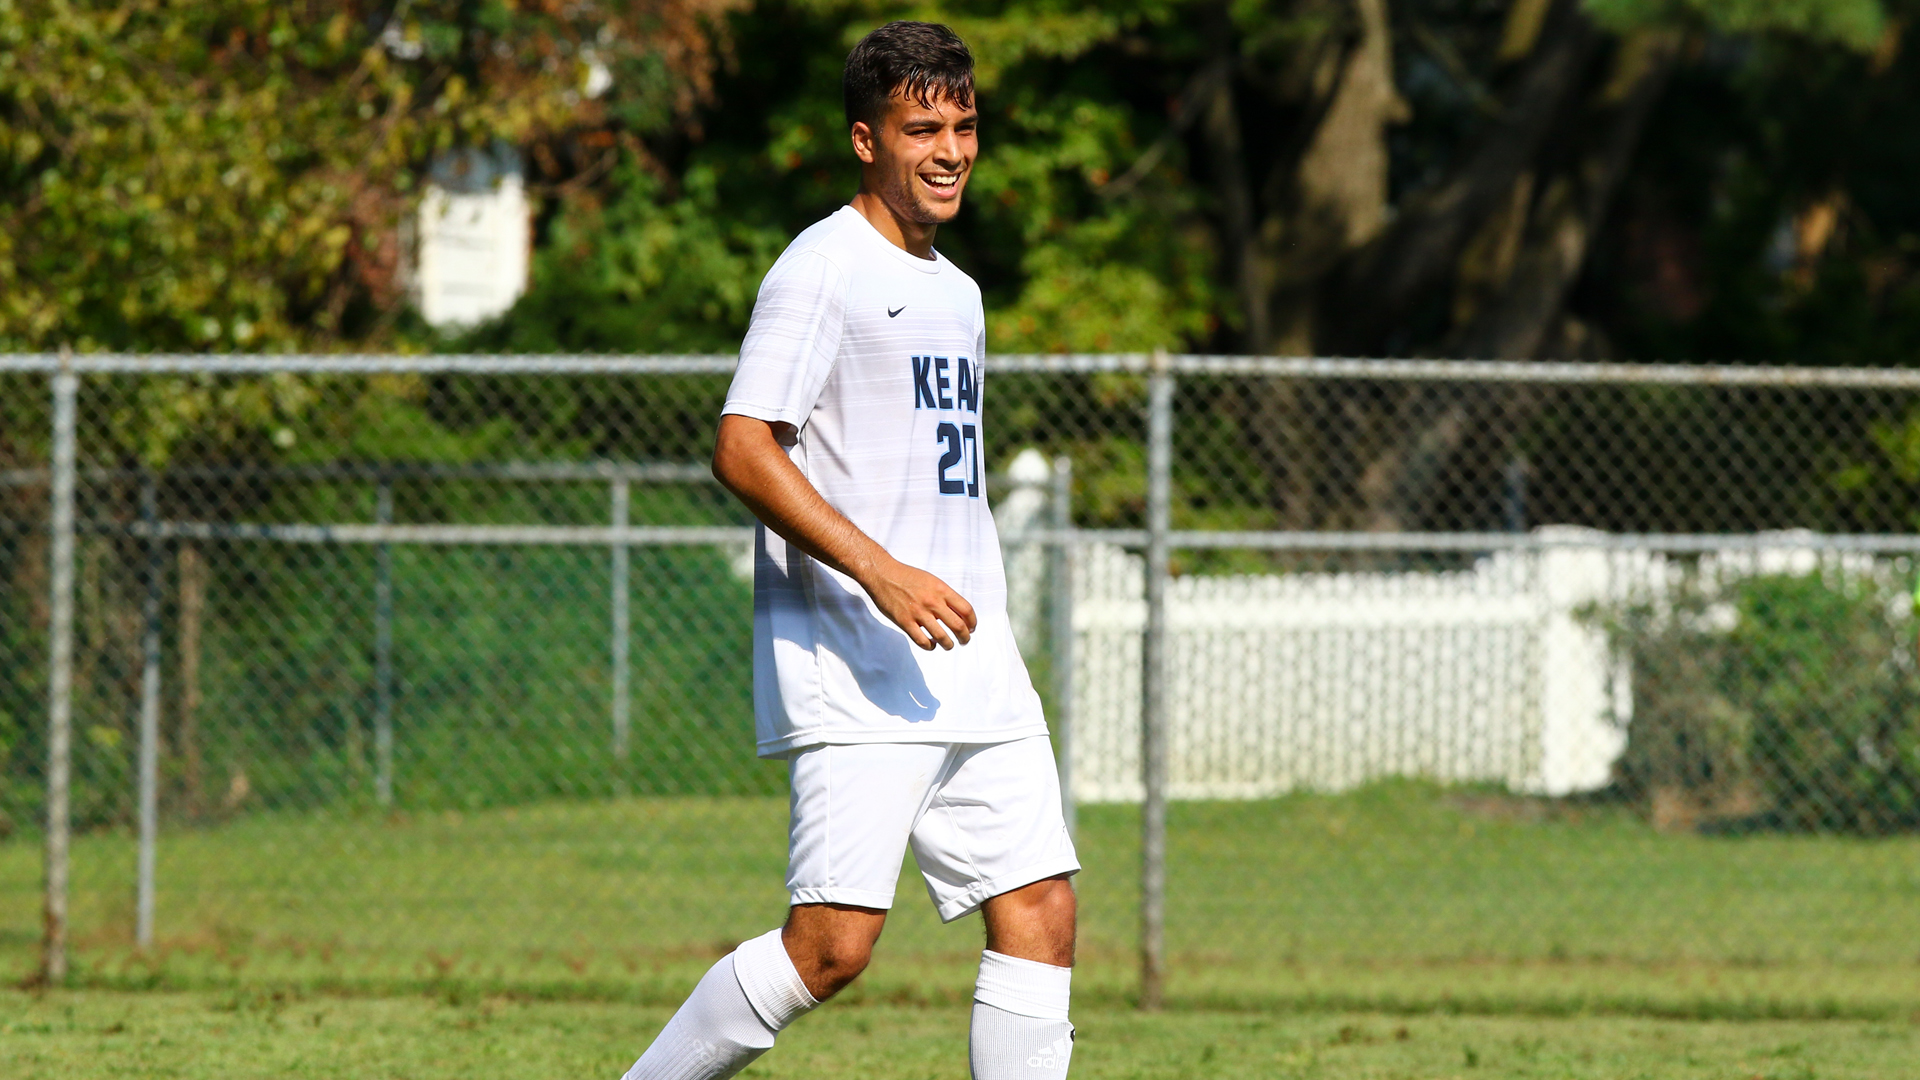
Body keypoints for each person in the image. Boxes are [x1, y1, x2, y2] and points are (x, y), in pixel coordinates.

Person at [617, 19, 1080, 1080]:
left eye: (965, 126)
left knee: (1042, 911)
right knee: (831, 951)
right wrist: (879, 571)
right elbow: (742, 446)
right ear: (866, 139)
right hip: (862, 665)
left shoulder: (957, 291)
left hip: (975, 660)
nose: (952, 150)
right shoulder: (822, 268)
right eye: (924, 128)